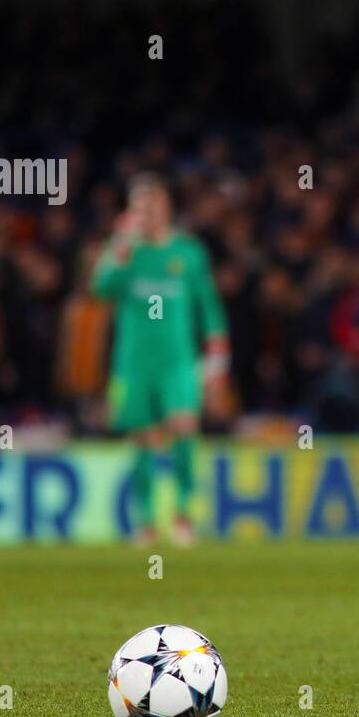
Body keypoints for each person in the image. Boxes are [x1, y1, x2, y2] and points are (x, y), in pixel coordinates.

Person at [92, 174, 229, 546]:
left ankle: (184, 515)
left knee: (184, 427)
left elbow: (209, 308)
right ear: (131, 212)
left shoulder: (188, 253)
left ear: (166, 208)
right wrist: (120, 245)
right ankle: (146, 521)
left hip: (178, 362)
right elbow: (101, 289)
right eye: (139, 206)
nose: (147, 212)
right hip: (134, 363)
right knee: (143, 438)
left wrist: (217, 361)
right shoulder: (124, 251)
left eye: (153, 204)